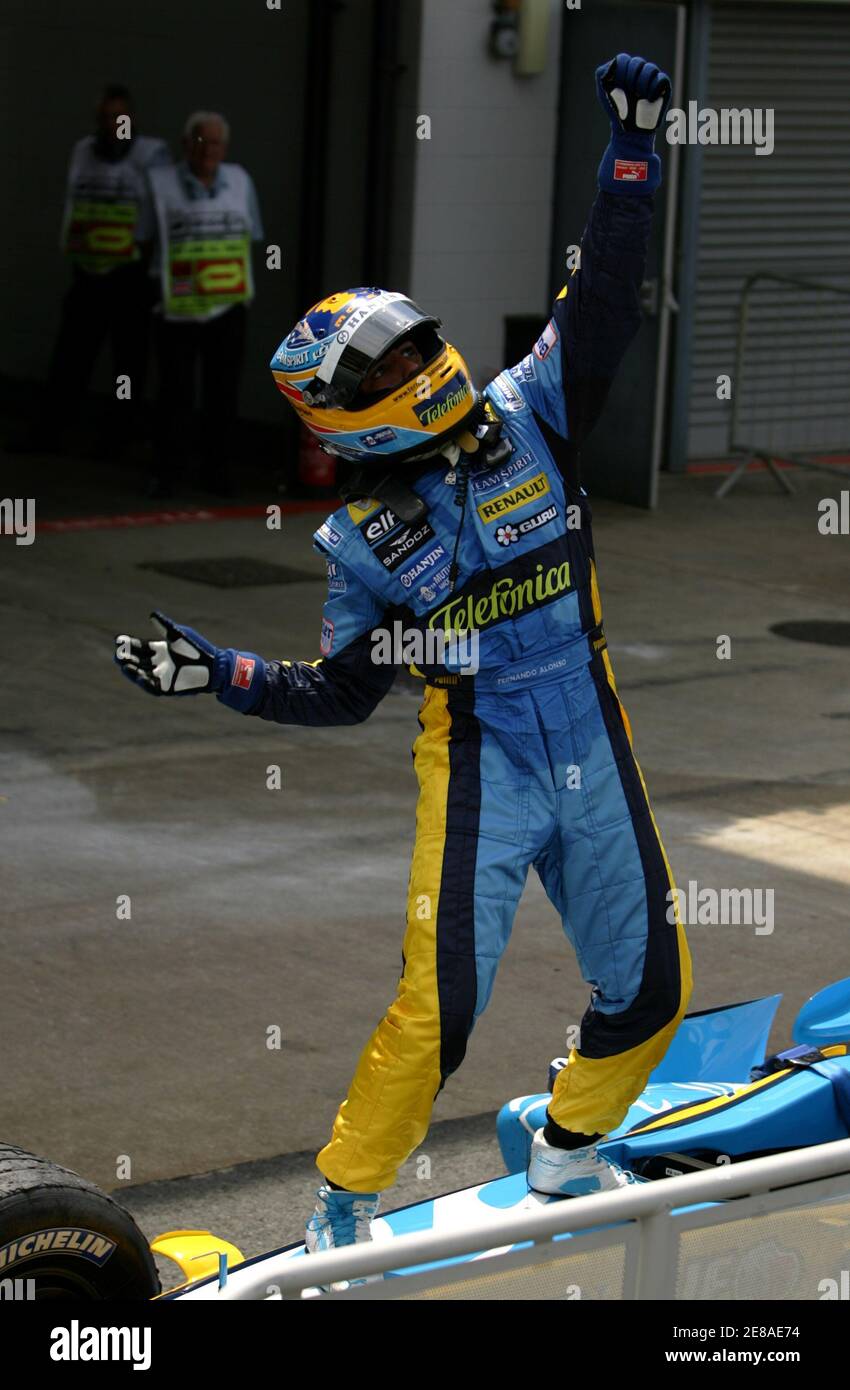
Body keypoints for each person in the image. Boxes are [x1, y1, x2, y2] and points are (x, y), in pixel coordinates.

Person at [115, 55, 692, 1282]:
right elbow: (337, 692)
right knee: (437, 1017)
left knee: (651, 991)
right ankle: (343, 1202)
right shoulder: (360, 544)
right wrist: (216, 671)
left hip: (589, 731)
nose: (412, 367)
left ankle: (571, 1143)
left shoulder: (532, 407)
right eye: (378, 370)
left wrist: (630, 156)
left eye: (410, 343)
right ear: (340, 413)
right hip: (478, 759)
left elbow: (604, 304)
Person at [17, 85, 169, 455]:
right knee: (70, 355)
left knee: (128, 362)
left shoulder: (151, 155)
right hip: (89, 271)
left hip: (130, 276)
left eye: (119, 118)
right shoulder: (84, 151)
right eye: (104, 118)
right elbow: (75, 203)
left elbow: (161, 213)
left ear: (131, 120)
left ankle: (119, 437)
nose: (112, 126)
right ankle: (50, 430)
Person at [144, 111, 264, 497]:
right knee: (174, 394)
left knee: (222, 394)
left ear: (224, 148)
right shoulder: (160, 184)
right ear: (185, 144)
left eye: (215, 143)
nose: (207, 149)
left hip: (226, 310)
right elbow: (143, 238)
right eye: (200, 141)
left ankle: (217, 473)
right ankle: (168, 474)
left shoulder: (240, 181)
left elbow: (253, 236)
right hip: (176, 310)